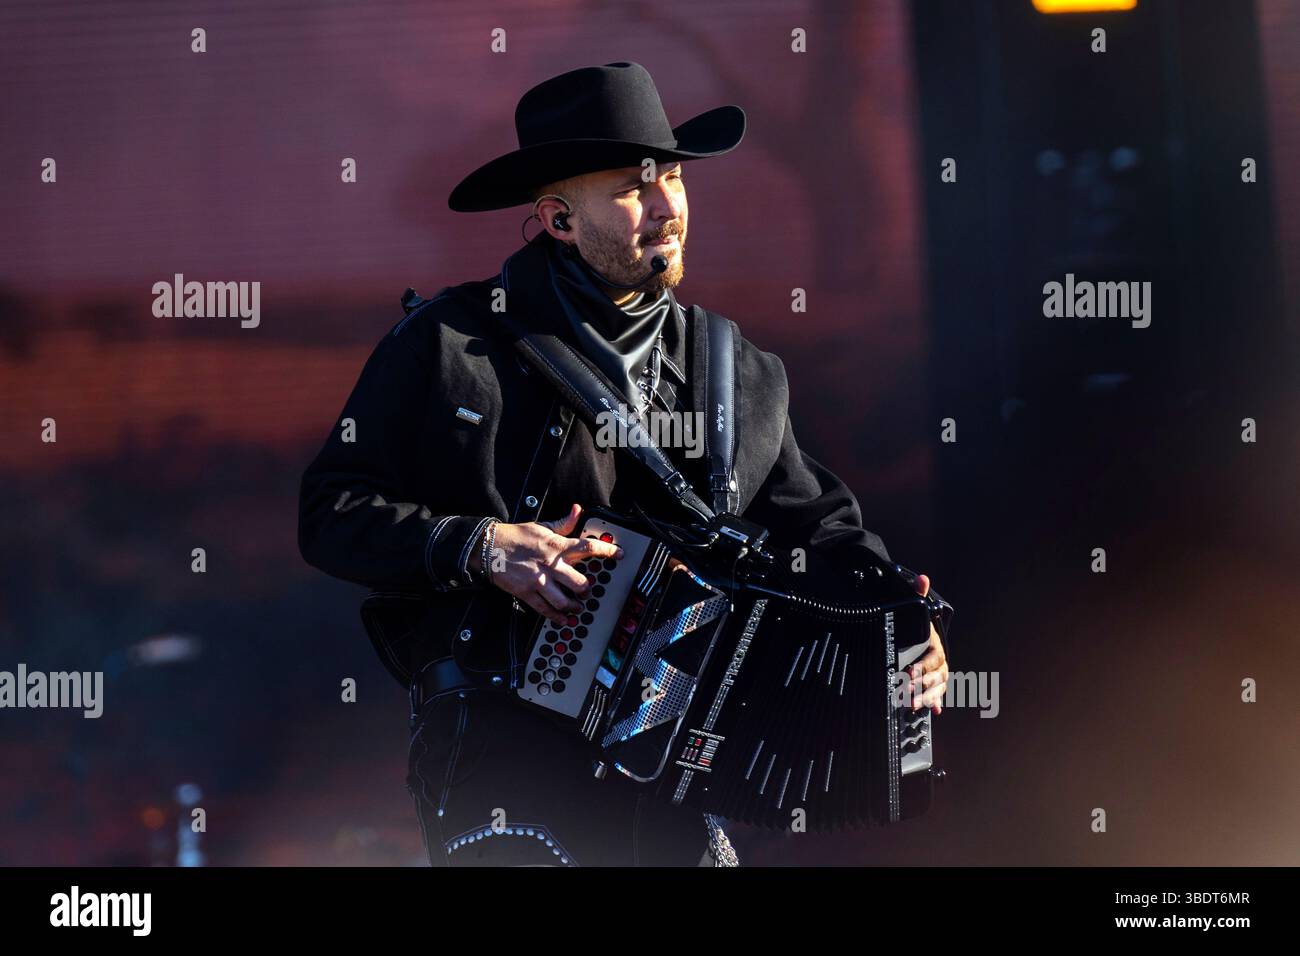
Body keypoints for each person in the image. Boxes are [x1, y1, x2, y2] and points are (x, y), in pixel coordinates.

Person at [297, 61, 948, 866]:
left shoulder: (737, 370)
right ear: (559, 219)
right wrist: (487, 546)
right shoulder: (448, 344)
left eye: (672, 177)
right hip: (501, 752)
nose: (667, 207)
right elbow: (331, 513)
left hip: (672, 773)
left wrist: (901, 619)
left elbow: (823, 530)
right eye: (633, 188)